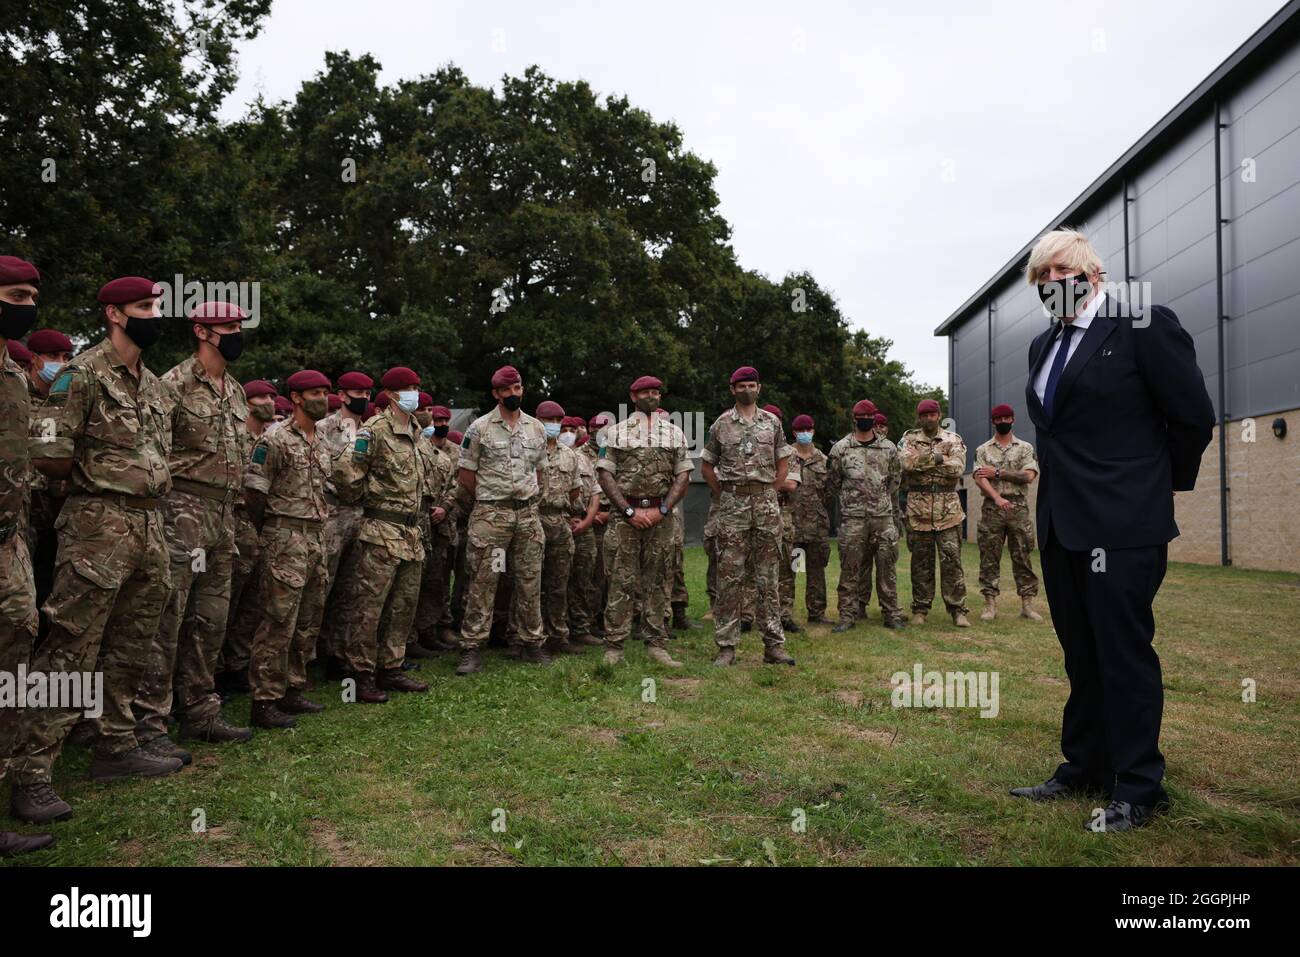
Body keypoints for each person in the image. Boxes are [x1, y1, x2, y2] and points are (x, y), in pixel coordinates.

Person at [1011, 228, 1213, 832]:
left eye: (1058, 271)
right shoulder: (1042, 346)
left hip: (1123, 523)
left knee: (1123, 652)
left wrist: (1153, 488)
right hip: (1062, 524)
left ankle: (1139, 785)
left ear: (1092, 271)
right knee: (1081, 650)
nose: (1051, 285)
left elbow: (1193, 417)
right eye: (1040, 278)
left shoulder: (1144, 324)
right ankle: (1086, 764)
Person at [11, 276, 184, 827]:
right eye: (144, 307)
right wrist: (98, 482)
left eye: (157, 306)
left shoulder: (154, 386)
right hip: (98, 523)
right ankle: (32, 773)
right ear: (114, 313)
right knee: (71, 648)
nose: (155, 315)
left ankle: (116, 745)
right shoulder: (79, 373)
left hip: (150, 524)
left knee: (134, 641)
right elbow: (48, 453)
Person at [136, 301, 253, 759]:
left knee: (211, 618)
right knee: (169, 618)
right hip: (181, 509)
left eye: (240, 326)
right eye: (229, 326)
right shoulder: (173, 385)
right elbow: (153, 451)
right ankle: (149, 722)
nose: (236, 332)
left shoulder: (237, 391)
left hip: (223, 515)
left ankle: (201, 712)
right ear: (203, 331)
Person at [330, 367, 436, 700]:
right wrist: (365, 501)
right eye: (407, 388)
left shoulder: (416, 430)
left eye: (417, 387)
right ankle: (359, 675)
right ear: (390, 394)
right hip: (379, 531)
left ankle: (391, 668)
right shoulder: (374, 430)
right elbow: (346, 471)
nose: (414, 393)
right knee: (368, 608)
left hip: (410, 531)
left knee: (403, 606)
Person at [0, 255, 55, 856]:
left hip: (9, 542)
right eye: (15, 295)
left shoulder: (11, 378)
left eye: (30, 296)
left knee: (13, 664)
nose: (26, 306)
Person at [242, 370, 334, 728]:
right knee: (278, 621)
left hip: (315, 537)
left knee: (308, 620)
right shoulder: (275, 439)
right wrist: (274, 531)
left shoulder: (322, 440)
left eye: (325, 393)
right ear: (295, 398)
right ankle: (264, 700)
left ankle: (292, 688)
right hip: (284, 537)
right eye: (314, 393)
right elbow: (254, 493)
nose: (322, 399)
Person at [454, 366, 548, 675]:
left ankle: (531, 643)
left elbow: (540, 473)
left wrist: (529, 499)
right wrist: (490, 498)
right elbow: (466, 475)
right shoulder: (479, 429)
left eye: (517, 387)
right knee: (484, 579)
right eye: (506, 390)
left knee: (530, 579)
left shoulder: (536, 428)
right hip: (492, 517)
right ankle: (472, 647)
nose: (513, 394)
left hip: (527, 515)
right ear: (496, 393)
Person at [700, 367, 796, 666]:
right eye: (740, 386)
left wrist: (770, 491)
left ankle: (773, 646)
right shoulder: (721, 425)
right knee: (730, 577)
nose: (746, 390)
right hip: (732, 505)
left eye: (751, 385)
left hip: (766, 504)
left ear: (759, 387)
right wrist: (727, 493)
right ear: (732, 390)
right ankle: (727, 647)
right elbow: (707, 465)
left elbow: (783, 461)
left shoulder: (773, 423)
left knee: (768, 577)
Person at [596, 376, 693, 667]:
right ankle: (614, 646)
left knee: (658, 580)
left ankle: (657, 644)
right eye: (645, 392)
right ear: (633, 396)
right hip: (625, 518)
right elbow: (605, 474)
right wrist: (628, 511)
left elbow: (683, 475)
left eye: (655, 392)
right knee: (620, 582)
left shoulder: (675, 433)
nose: (651, 396)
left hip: (661, 518)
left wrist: (662, 510)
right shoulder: (614, 433)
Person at [216, 379, 279, 693]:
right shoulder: (234, 434)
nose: (269, 401)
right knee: (226, 599)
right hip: (234, 521)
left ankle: (237, 664)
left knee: (253, 601)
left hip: (259, 527)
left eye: (272, 395)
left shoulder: (270, 439)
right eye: (262, 396)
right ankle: (214, 669)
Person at [828, 399, 904, 631]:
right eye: (862, 415)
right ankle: (847, 616)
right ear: (854, 419)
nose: (866, 419)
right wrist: (852, 502)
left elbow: (895, 481)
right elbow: (833, 483)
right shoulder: (841, 448)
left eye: (870, 415)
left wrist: (879, 502)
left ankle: (891, 614)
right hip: (853, 519)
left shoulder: (889, 448)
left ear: (875, 418)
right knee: (850, 568)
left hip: (882, 518)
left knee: (886, 568)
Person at [317, 371, 373, 677]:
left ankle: (337, 655)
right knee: (320, 589)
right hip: (332, 514)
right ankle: (304, 657)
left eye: (367, 393)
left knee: (351, 591)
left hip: (361, 515)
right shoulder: (323, 428)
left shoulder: (371, 430)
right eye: (357, 393)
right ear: (341, 395)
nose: (363, 398)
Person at [22, 328, 75, 644]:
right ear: (34, 359)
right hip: (23, 509)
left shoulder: (65, 402)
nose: (61, 363)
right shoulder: (17, 394)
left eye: (67, 357)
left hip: (56, 511)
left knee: (50, 587)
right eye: (54, 357)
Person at [899, 399, 970, 628]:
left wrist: (925, 462)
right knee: (921, 563)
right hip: (918, 511)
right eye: (923, 415)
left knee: (952, 562)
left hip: (948, 511)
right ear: (919, 417)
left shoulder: (953, 439)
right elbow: (906, 465)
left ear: (939, 415)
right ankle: (920, 609)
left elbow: (958, 468)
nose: (928, 418)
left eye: (932, 414)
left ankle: (958, 610)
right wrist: (941, 458)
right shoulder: (909, 439)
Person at [972, 404, 1043, 621]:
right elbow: (979, 477)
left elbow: (1028, 476)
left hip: (1018, 507)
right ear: (993, 422)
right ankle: (990, 605)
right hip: (992, 507)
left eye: (1006, 418)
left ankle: (1027, 605)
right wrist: (997, 497)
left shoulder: (1024, 448)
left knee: (1022, 554)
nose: (1003, 421)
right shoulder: (983, 449)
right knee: (989, 556)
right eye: (999, 418)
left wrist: (998, 472)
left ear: (1013, 419)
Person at [533, 400, 586, 656]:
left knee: (559, 583)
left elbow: (576, 490)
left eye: (558, 421)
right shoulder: (530, 449)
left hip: (560, 522)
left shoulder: (570, 455)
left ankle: (558, 635)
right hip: (534, 518)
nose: (554, 425)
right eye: (548, 420)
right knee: (530, 583)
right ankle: (528, 638)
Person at [412, 404, 461, 653]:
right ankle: (410, 638)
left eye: (444, 419)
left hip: (442, 527)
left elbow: (456, 485)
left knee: (437, 581)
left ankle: (429, 630)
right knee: (412, 585)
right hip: (415, 524)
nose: (440, 423)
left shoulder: (449, 454)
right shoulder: (414, 449)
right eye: (436, 418)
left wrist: (444, 507)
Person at [563, 416, 604, 647]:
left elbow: (595, 493)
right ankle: (556, 630)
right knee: (556, 580)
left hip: (585, 525)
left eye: (571, 428)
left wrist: (587, 520)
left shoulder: (583, 459)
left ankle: (581, 628)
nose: (568, 432)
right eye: (563, 429)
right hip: (560, 522)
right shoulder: (541, 456)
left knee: (584, 578)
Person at [762, 404, 803, 634]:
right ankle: (748, 615)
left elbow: (791, 484)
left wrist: (759, 477)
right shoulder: (750, 449)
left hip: (782, 517)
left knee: (787, 568)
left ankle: (785, 615)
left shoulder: (790, 452)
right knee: (751, 568)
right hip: (755, 514)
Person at [788, 414, 831, 625]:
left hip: (816, 527)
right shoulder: (785, 457)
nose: (804, 433)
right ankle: (784, 614)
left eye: (808, 429)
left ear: (813, 431)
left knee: (816, 571)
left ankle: (817, 613)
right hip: (793, 525)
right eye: (800, 430)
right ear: (794, 432)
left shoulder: (823, 459)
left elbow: (829, 492)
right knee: (790, 571)